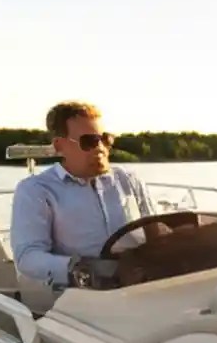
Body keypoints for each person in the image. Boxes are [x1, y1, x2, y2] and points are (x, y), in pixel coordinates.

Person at [10, 101, 153, 290]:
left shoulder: (129, 181)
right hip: (81, 295)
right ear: (59, 145)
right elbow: (28, 257)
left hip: (143, 284)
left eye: (106, 139)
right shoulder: (36, 190)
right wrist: (88, 269)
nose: (101, 148)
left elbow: (155, 231)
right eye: (90, 141)